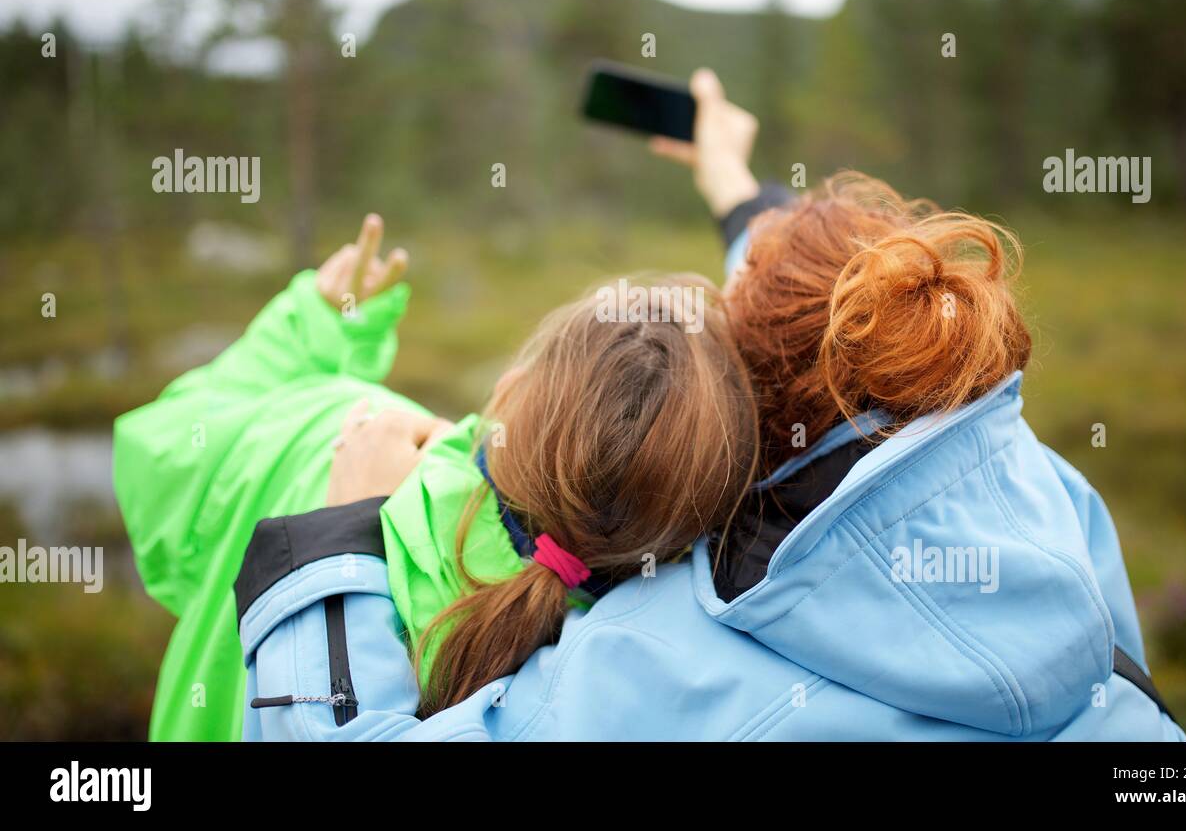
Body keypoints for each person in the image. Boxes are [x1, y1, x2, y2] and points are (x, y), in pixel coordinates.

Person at [236, 70, 1186, 741]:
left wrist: (333, 535)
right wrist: (734, 186)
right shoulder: (1030, 479)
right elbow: (821, 343)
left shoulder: (661, 664)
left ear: (754, 411)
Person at [113, 215, 756, 740]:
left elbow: (159, 451)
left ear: (510, 391)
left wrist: (314, 330)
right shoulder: (616, 672)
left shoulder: (344, 435)